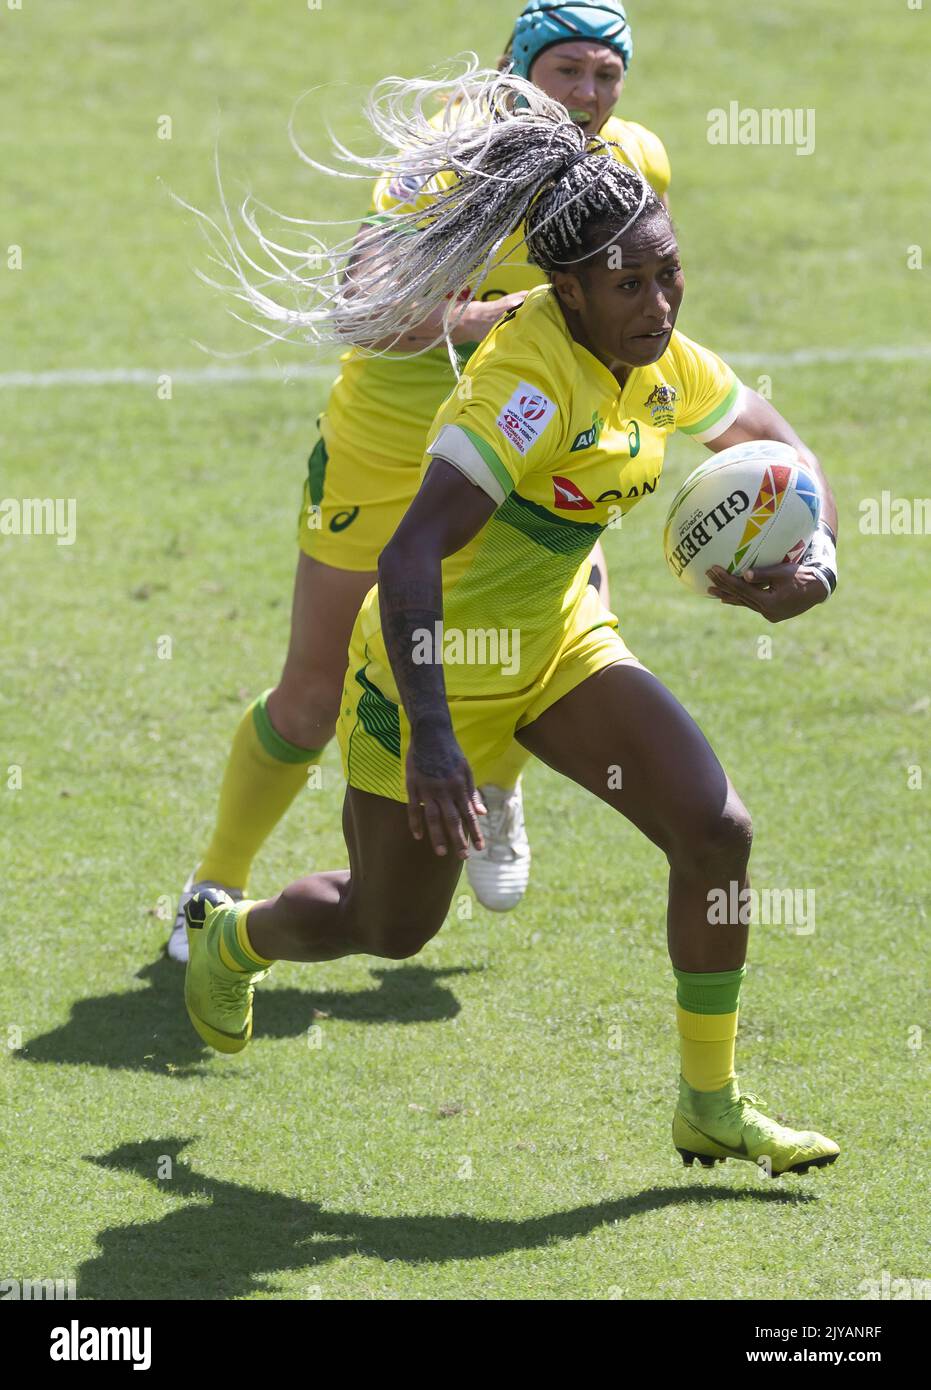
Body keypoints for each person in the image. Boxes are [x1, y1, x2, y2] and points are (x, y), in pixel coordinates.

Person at [182, 67, 841, 1177]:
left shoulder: (655, 356)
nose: (659, 303)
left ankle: (710, 1102)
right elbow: (407, 554)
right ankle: (235, 937)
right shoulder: (523, 383)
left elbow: (771, 443)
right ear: (565, 292)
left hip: (557, 652)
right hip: (423, 670)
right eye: (628, 285)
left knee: (716, 829)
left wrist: (809, 551)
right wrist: (438, 741)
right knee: (391, 929)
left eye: (669, 273)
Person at [168, 0, 671, 959]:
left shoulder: (630, 164)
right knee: (313, 695)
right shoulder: (442, 166)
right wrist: (517, 317)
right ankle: (215, 886)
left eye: (607, 76)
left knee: (534, 644)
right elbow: (364, 316)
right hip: (388, 449)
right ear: (514, 70)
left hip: (520, 452)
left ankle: (497, 784)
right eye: (567, 71)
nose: (588, 96)